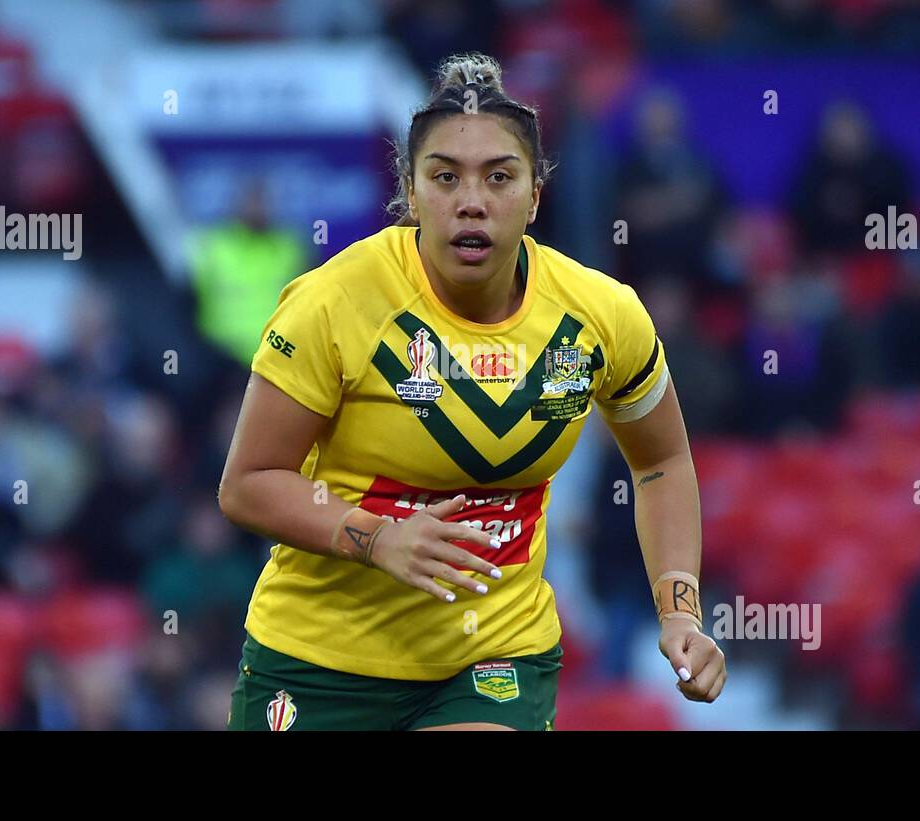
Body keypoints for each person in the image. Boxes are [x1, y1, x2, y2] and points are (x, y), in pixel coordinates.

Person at [218, 52, 724, 731]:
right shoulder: (334, 301)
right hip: (318, 658)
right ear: (410, 188)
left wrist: (680, 612)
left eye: (500, 176)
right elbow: (248, 482)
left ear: (536, 195)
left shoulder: (602, 315)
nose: (472, 200)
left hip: (493, 655)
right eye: (445, 176)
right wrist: (374, 537)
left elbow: (661, 461)